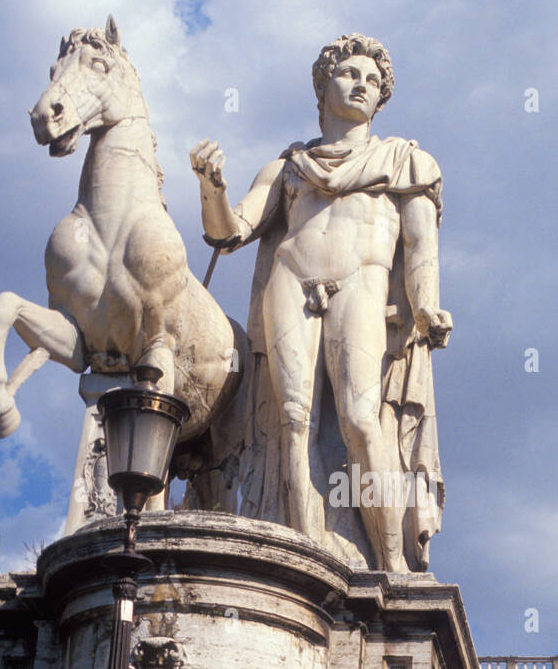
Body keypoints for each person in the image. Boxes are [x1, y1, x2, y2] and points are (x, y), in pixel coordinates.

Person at [190, 33, 452, 573]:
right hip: (291, 280)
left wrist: (426, 307)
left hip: (363, 282)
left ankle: (391, 563)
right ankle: (305, 558)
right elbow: (230, 232)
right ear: (323, 82)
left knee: (360, 418)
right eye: (350, 74)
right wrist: (210, 186)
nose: (362, 85)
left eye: (373, 81)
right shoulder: (290, 165)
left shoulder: (405, 161)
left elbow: (421, 242)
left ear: (382, 99)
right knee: (292, 421)